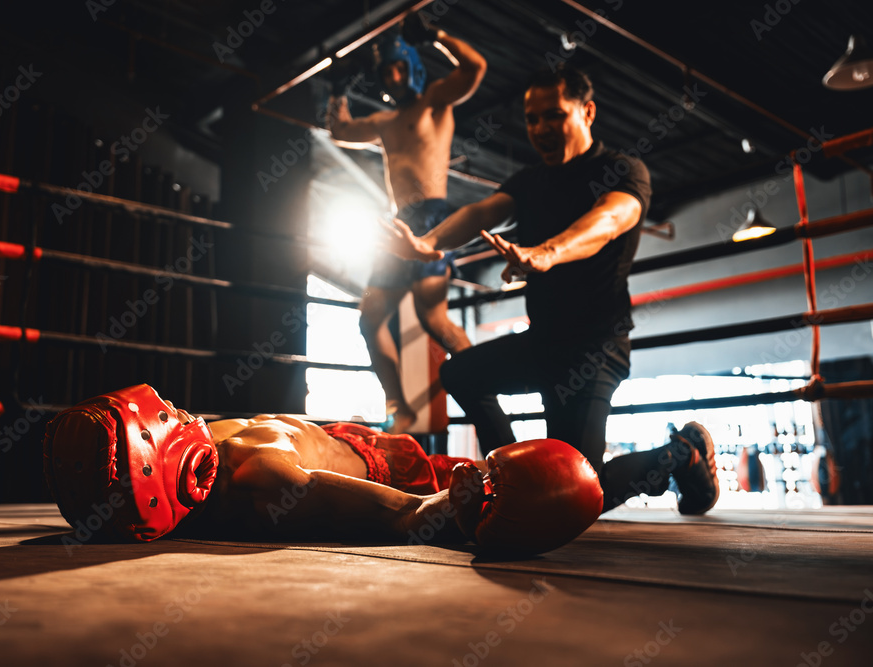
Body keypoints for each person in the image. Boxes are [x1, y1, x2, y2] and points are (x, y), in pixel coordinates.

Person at [384, 65, 719, 514]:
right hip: (543, 344)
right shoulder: (530, 182)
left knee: (573, 496)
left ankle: (681, 454)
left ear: (587, 112)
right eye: (532, 118)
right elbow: (480, 213)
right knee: (461, 373)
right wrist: (427, 243)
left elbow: (605, 223)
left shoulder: (622, 170)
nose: (540, 128)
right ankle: (506, 478)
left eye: (554, 115)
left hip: (595, 350)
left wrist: (548, 252)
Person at [43, 384, 604, 554]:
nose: (177, 412)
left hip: (341, 434)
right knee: (582, 482)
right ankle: (671, 460)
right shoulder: (265, 482)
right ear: (183, 471)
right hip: (387, 466)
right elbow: (410, 517)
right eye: (166, 418)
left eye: (166, 410)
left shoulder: (197, 460)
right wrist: (460, 503)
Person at [326, 14, 487, 433]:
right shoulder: (384, 122)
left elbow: (475, 68)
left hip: (433, 216)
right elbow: (340, 130)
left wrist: (438, 36)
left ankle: (484, 391)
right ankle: (400, 408)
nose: (394, 77)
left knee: (434, 320)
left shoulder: (436, 101)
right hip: (398, 225)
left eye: (399, 67)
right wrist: (337, 88)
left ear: (412, 66)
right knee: (370, 317)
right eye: (387, 72)